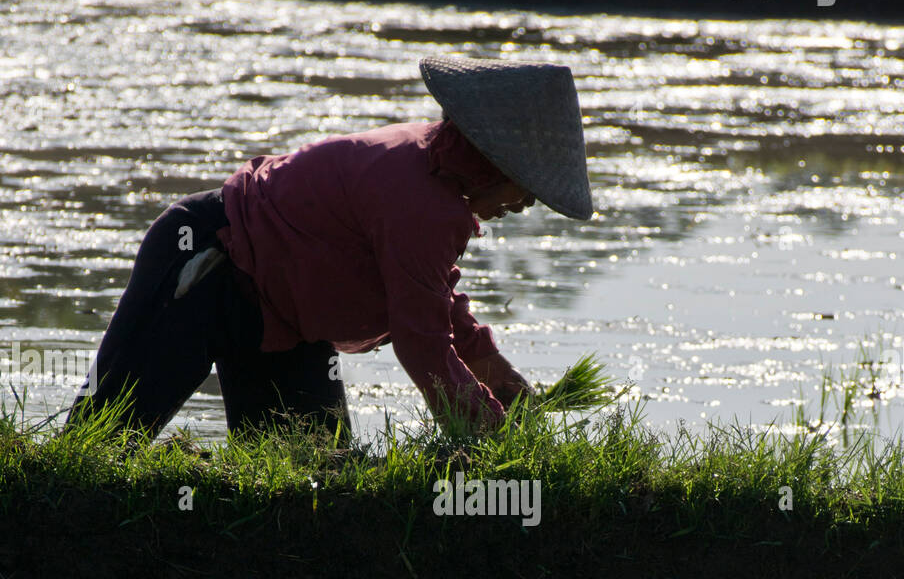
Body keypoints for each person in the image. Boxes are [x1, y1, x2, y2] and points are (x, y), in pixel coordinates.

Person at [64, 54, 593, 441]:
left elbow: (427, 292)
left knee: (314, 484)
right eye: (524, 191)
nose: (520, 205)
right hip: (206, 264)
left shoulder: (441, 176)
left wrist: (490, 366)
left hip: (285, 324)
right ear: (493, 161)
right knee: (98, 445)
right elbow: (422, 344)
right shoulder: (424, 200)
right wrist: (498, 436)